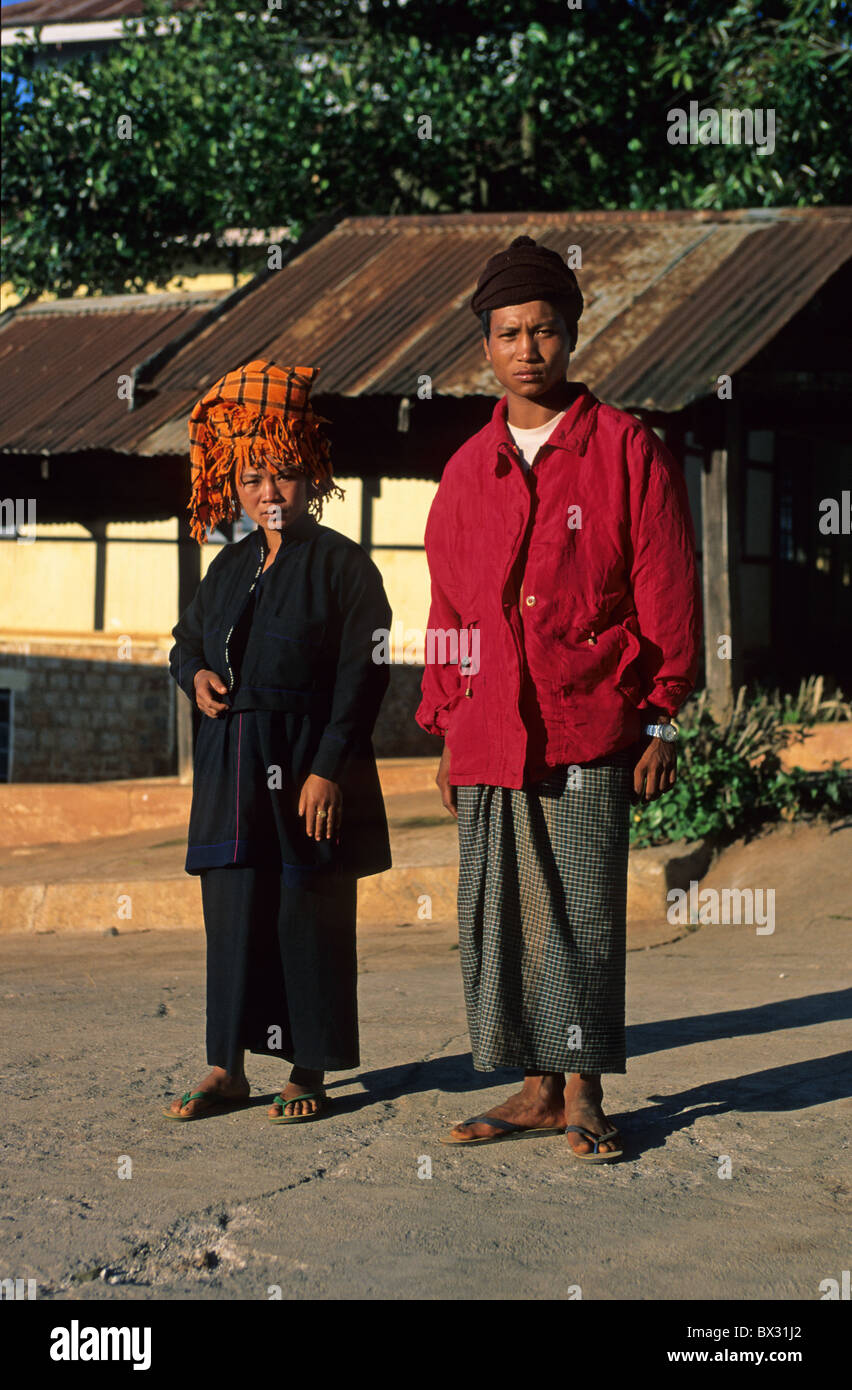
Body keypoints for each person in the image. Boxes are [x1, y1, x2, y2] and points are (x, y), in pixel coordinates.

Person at [416, 237, 701, 1162]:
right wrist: (447, 723)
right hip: (493, 726)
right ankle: (532, 1088)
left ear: (572, 336)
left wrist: (660, 714)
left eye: (544, 330)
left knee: (580, 905)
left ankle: (582, 1091)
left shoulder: (625, 451)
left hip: (591, 719)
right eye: (508, 334)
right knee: (499, 908)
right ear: (486, 348)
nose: (527, 349)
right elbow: (450, 609)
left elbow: (667, 591)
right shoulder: (464, 473)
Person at [164, 359, 391, 1124]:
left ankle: (308, 1067)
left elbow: (366, 673)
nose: (270, 492)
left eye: (286, 474)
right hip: (230, 773)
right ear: (235, 483)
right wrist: (194, 675)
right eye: (255, 477)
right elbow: (183, 643)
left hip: (306, 770)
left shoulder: (344, 567)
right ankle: (225, 1067)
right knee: (233, 916)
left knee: (308, 914)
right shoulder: (226, 567)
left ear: (312, 475)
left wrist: (328, 769)